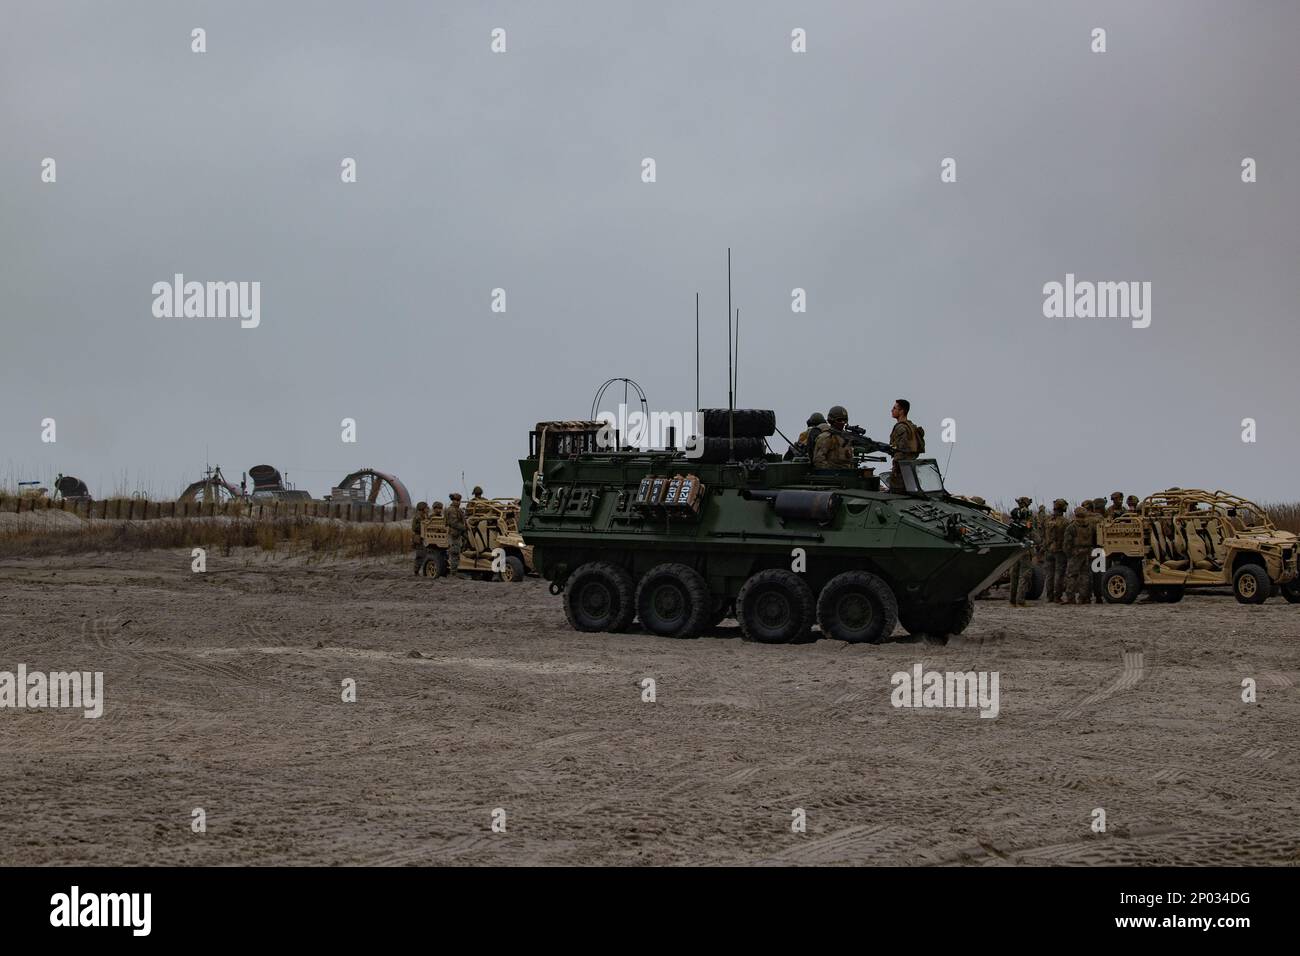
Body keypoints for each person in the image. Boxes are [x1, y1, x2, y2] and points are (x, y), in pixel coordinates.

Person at [888, 398, 922, 490]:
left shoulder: (900, 428)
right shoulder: (912, 427)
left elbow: (900, 451)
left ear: (901, 411)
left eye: (894, 408)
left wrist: (896, 469)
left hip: (901, 472)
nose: (892, 410)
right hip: (911, 470)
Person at [1063, 505, 1094, 605]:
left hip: (1075, 553)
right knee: (1085, 576)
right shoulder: (1090, 526)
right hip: (1087, 552)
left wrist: (1068, 554)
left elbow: (1067, 543)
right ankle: (1084, 598)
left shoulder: (1071, 527)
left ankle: (1071, 598)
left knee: (1071, 576)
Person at [1008, 496, 1035, 607]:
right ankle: (1021, 600)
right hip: (1025, 552)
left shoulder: (1013, 522)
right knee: (1025, 575)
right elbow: (1036, 538)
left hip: (1015, 551)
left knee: (1014, 576)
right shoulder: (1028, 523)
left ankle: (1012, 600)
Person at [1046, 499, 1069, 603]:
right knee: (1059, 574)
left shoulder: (1048, 520)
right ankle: (1057, 597)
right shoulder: (1064, 521)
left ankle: (1049, 596)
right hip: (1060, 550)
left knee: (1050, 574)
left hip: (1049, 549)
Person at [445, 493, 468, 578]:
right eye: (456, 500)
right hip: (454, 534)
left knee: (457, 553)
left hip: (457, 534)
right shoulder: (451, 510)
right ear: (453, 500)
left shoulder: (457, 509)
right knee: (454, 553)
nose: (458, 502)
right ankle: (453, 573)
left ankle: (454, 572)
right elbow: (453, 523)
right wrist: (464, 528)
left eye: (459, 501)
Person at [411, 501, 428, 574]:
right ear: (422, 508)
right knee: (420, 554)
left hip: (422, 537)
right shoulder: (418, 517)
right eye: (426, 508)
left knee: (424, 554)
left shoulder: (424, 516)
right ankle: (416, 570)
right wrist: (423, 527)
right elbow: (414, 528)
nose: (427, 509)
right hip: (418, 537)